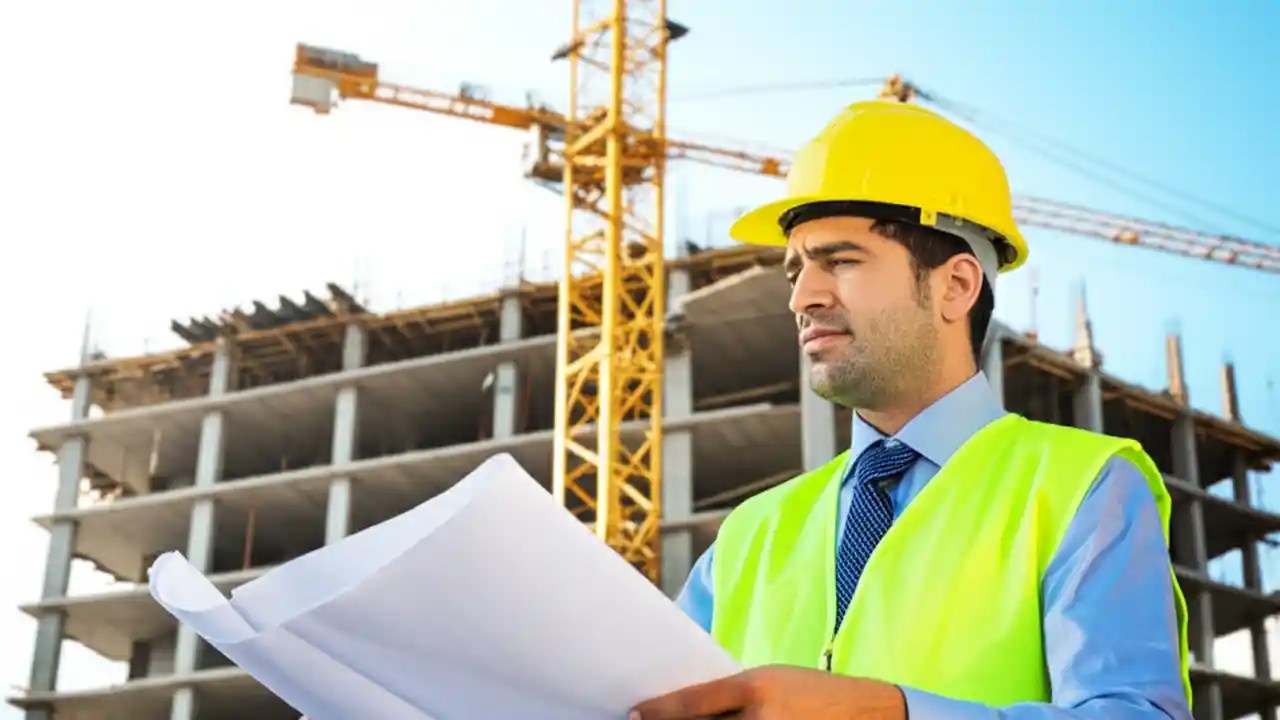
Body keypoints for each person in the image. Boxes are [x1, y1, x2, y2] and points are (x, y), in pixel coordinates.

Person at [628, 101, 1193, 719]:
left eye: (840, 261)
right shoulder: (747, 537)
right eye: (795, 270)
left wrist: (882, 713)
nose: (802, 297)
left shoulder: (1081, 488)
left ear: (956, 286)